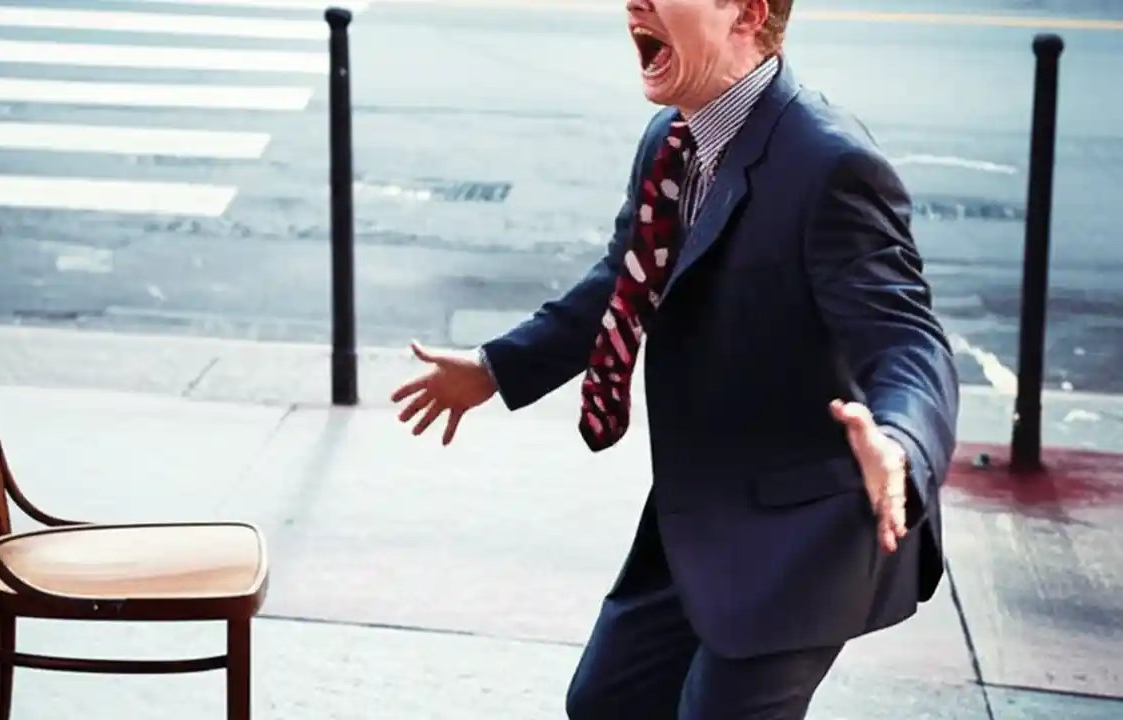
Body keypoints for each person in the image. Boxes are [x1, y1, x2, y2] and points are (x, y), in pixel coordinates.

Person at [390, 0, 961, 717]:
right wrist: (498, 366)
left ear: (747, 14)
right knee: (605, 702)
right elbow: (627, 276)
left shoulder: (829, 163)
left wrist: (902, 448)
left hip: (803, 529)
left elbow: (908, 338)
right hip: (701, 510)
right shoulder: (671, 137)